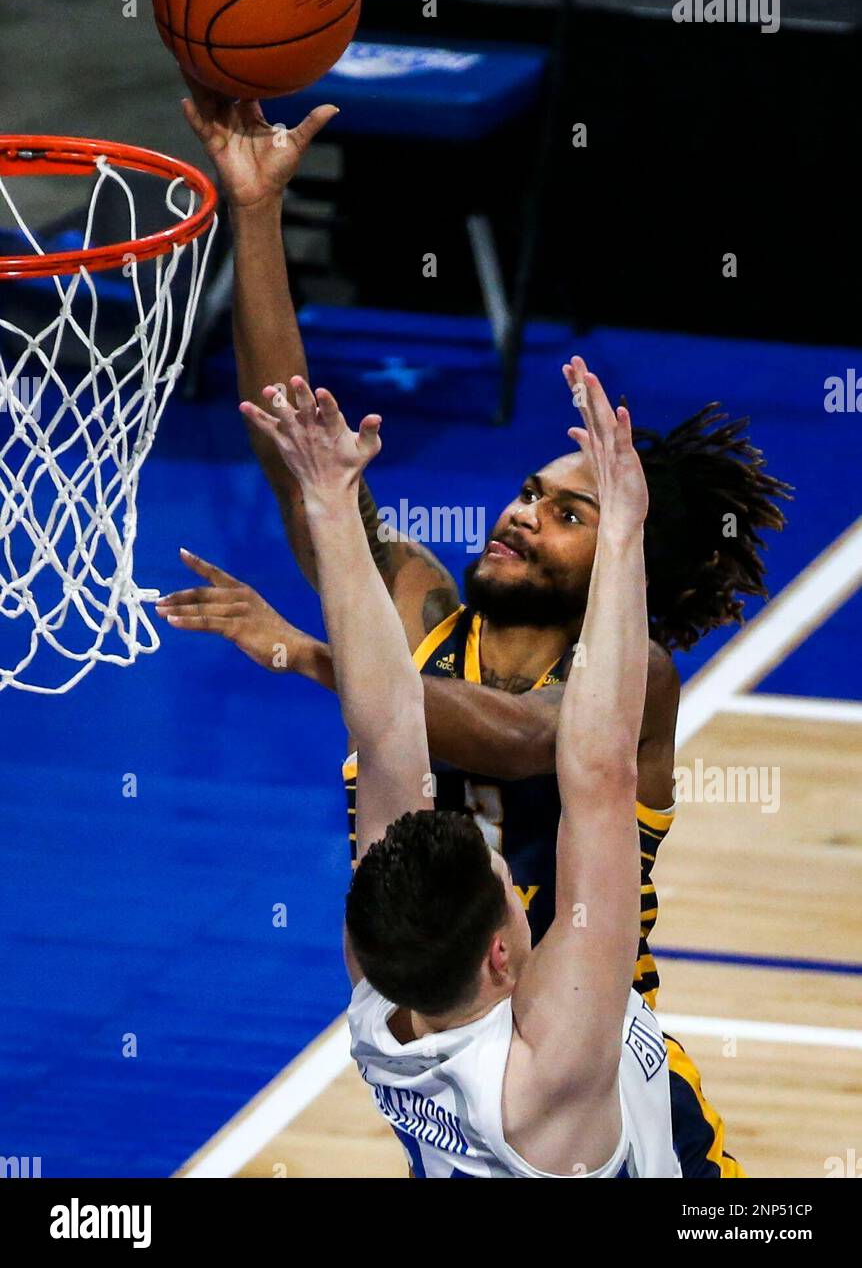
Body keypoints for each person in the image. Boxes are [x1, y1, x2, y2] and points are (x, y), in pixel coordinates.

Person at [160, 86, 790, 1174]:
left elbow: (524, 736)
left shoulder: (633, 676)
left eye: (570, 513)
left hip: (576, 1076)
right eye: (531, 491)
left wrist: (312, 653)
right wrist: (257, 215)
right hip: (504, 1068)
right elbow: (296, 455)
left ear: (623, 564)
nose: (522, 512)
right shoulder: (422, 615)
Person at [238, 355, 681, 1178]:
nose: (508, 876)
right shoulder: (551, 1071)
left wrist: (332, 506)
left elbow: (388, 731)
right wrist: (622, 528)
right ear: (502, 957)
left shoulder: (388, 1004)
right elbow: (600, 778)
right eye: (501, 880)